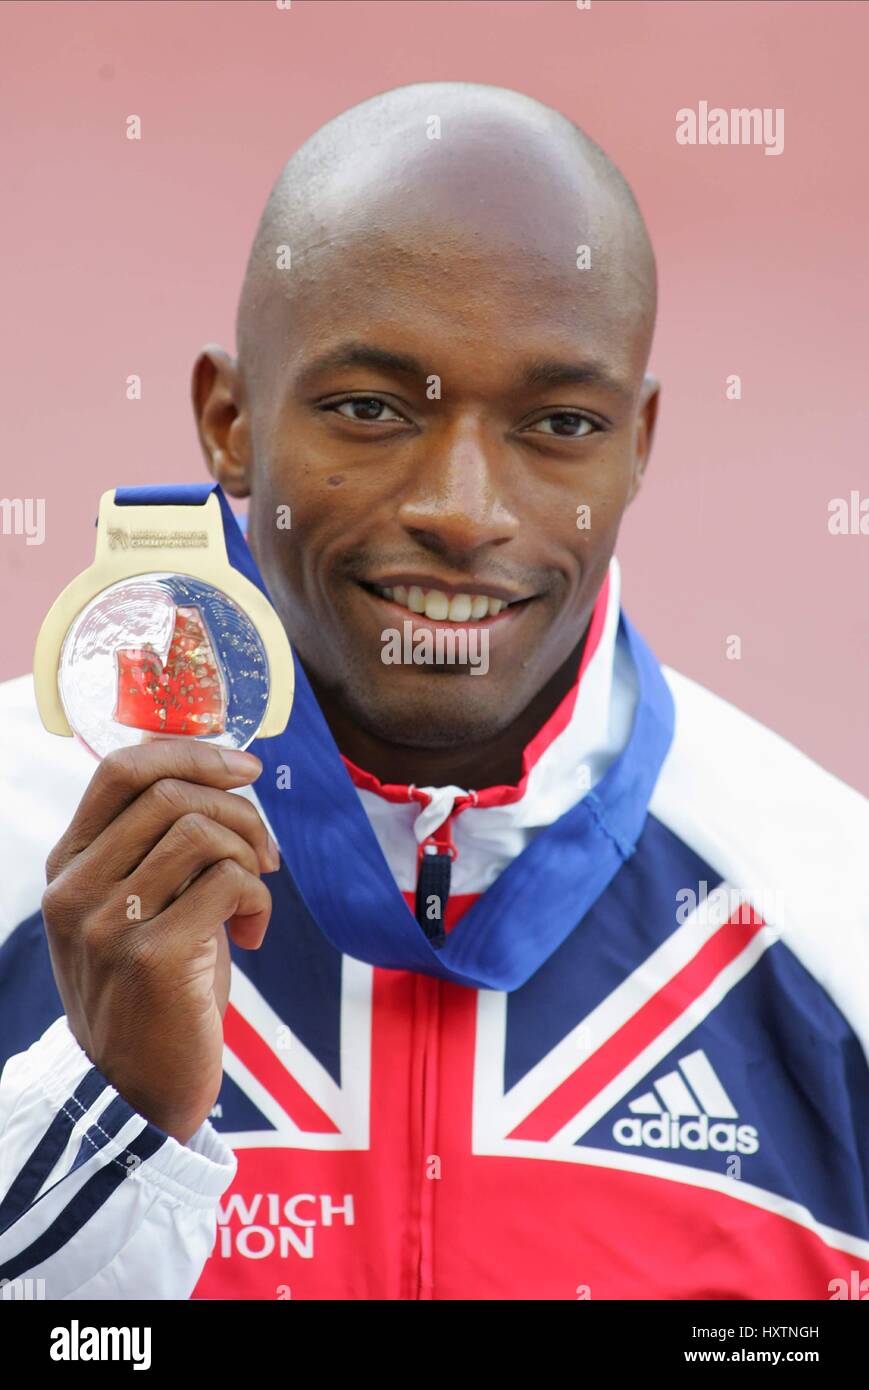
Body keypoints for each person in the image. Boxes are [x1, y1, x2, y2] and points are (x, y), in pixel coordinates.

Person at [0, 81, 866, 1302]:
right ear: (228, 419)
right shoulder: (19, 840)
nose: (462, 510)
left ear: (637, 445)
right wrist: (103, 1128)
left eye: (558, 422)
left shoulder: (830, 911)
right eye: (367, 408)